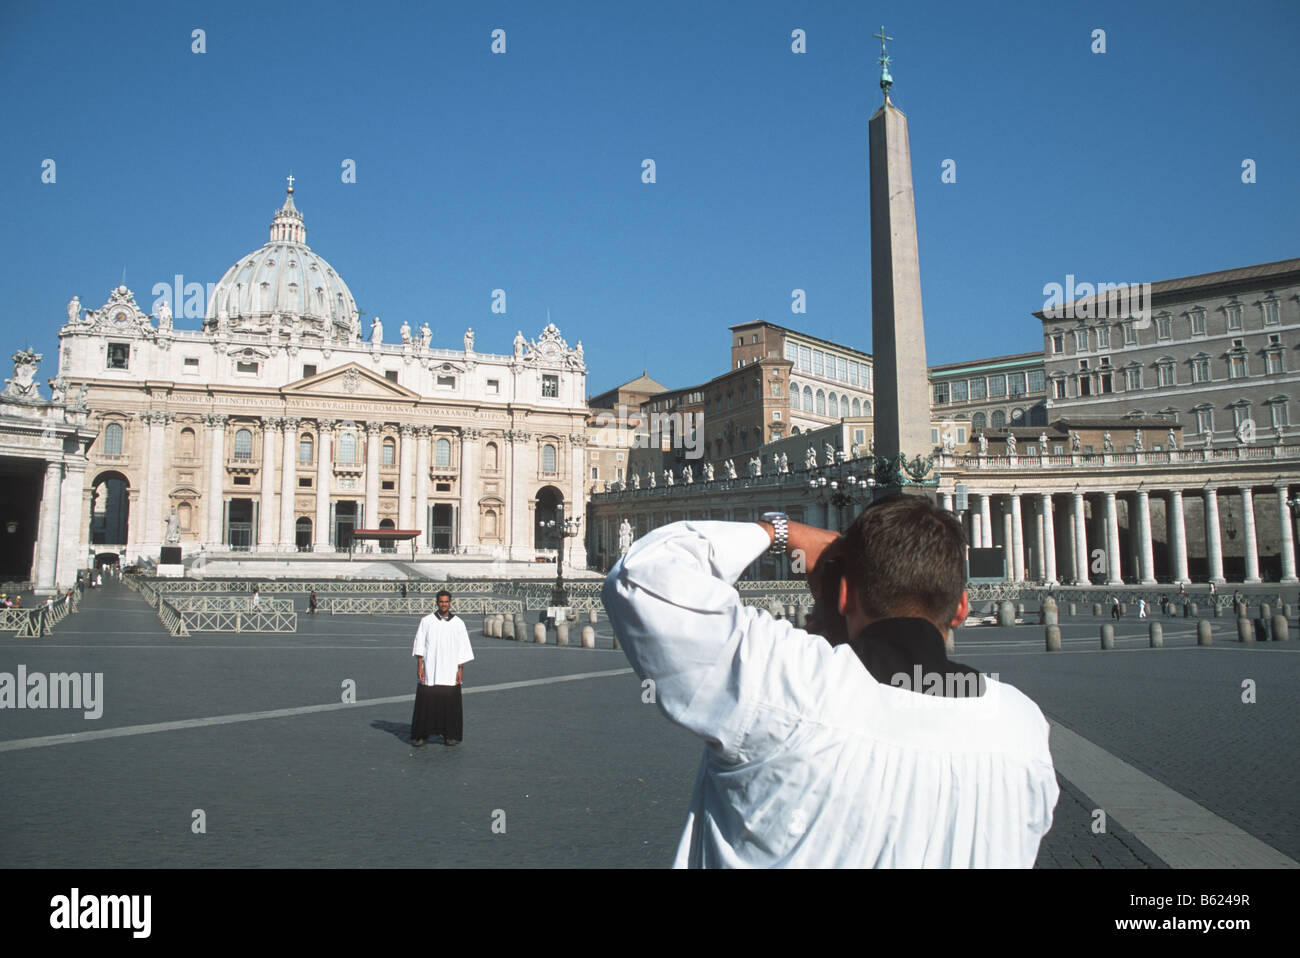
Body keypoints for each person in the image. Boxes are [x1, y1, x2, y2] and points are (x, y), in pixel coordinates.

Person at [603, 496, 1058, 867]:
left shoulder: (788, 683)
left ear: (844, 593)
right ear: (961, 607)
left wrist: (781, 533)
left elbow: (642, 576)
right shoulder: (1024, 731)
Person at [411, 590, 475, 747]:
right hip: (430, 669)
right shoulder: (426, 621)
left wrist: (460, 670)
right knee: (426, 703)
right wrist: (420, 666)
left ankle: (449, 735)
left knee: (450, 704)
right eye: (441, 602)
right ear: (437, 602)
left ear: (450, 602)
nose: (444, 604)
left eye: (446, 602)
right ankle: (421, 735)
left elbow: (463, 649)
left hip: (449, 670)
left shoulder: (459, 623)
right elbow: (420, 645)